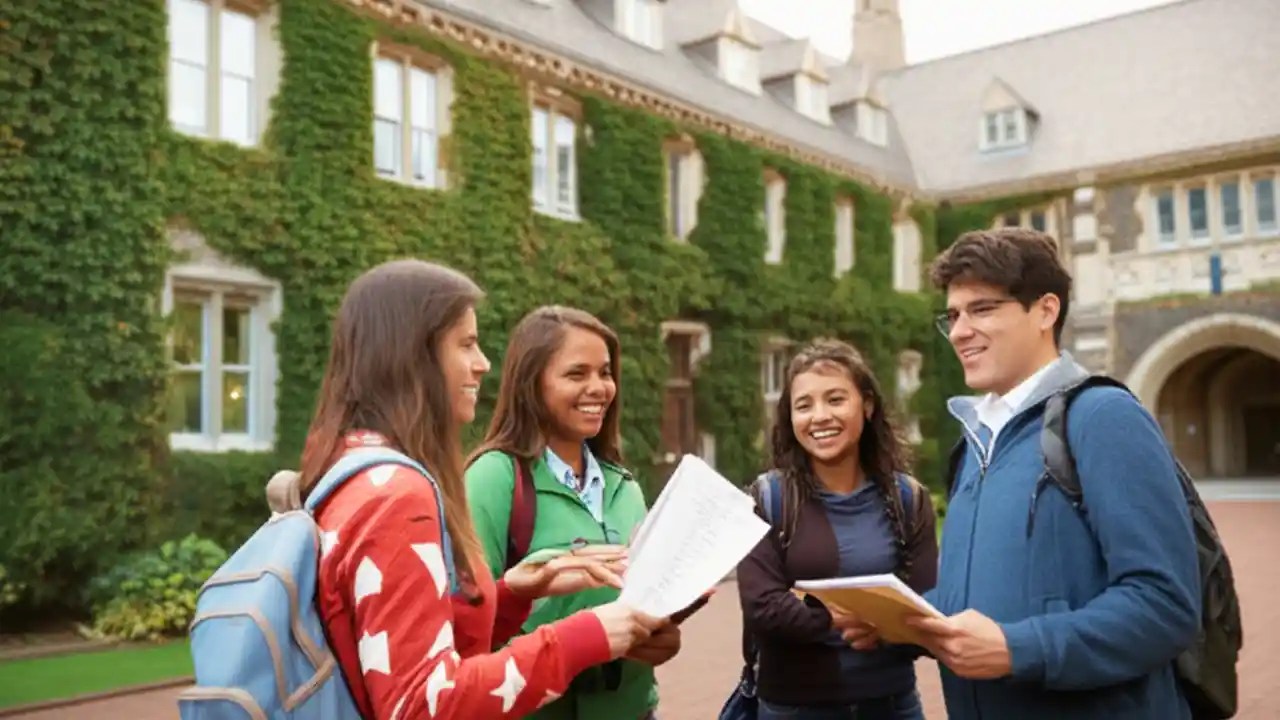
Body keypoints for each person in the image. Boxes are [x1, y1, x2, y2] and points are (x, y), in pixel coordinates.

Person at [842, 228, 1201, 718]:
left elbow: (1166, 605)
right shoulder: (973, 441)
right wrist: (899, 623)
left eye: (982, 309)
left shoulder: (1104, 417)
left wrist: (1019, 649)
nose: (960, 331)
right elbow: (982, 598)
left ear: (1046, 311)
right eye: (953, 316)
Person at [298, 261, 664, 720]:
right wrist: (583, 637)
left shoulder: (353, 467)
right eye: (466, 344)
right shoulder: (398, 494)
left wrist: (510, 596)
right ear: (415, 354)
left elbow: (418, 646)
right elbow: (421, 706)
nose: (484, 364)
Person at [465, 305, 678, 720]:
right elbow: (468, 626)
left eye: (605, 373)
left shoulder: (624, 486)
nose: (599, 388)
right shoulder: (493, 478)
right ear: (531, 384)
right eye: (577, 374)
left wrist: (661, 636)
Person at [737, 338, 938, 720]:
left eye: (835, 399)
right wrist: (841, 619)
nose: (820, 416)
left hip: (892, 706)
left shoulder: (908, 499)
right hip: (794, 709)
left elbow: (929, 603)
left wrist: (885, 629)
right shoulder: (768, 499)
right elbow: (763, 606)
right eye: (804, 405)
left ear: (867, 404)